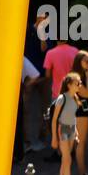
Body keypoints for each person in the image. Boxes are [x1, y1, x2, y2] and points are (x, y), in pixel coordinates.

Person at [50, 72, 86, 175]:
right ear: (69, 85)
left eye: (80, 82)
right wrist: (54, 137)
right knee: (68, 159)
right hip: (63, 130)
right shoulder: (62, 98)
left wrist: (76, 132)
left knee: (65, 160)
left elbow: (73, 116)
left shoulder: (75, 98)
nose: (80, 85)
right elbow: (54, 119)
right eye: (77, 83)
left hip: (71, 130)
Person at [25, 12, 54, 141]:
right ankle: (25, 138)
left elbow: (45, 50)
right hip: (28, 77)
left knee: (46, 108)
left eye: (47, 19)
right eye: (42, 18)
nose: (44, 21)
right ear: (37, 17)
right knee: (25, 108)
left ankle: (43, 134)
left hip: (44, 76)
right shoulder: (27, 31)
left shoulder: (47, 33)